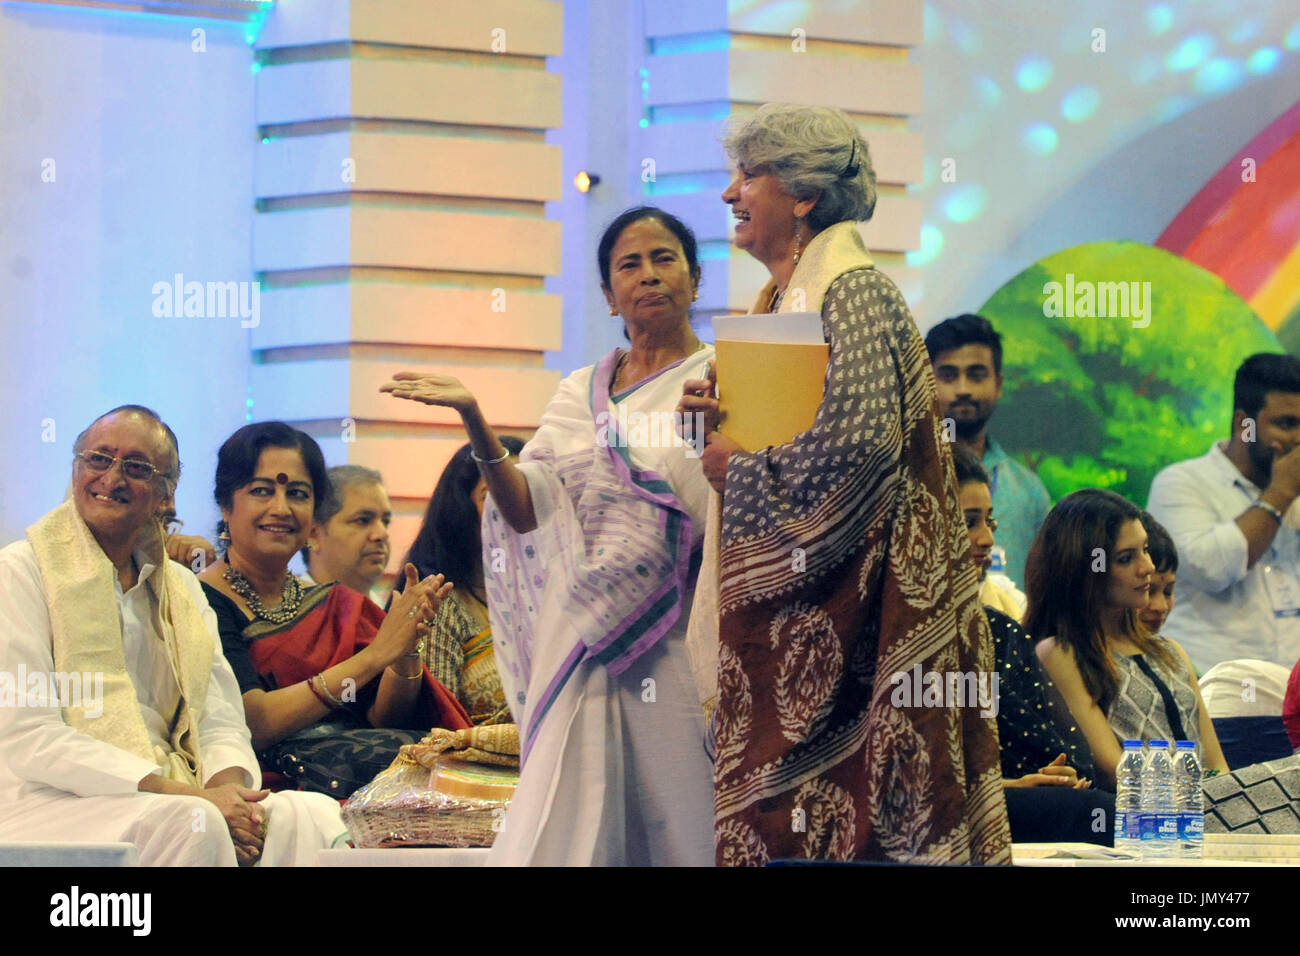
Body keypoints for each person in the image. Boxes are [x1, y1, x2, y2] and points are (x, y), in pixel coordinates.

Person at [677, 104, 1010, 864]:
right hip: (801, 618)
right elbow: (768, 443)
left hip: (864, 633)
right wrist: (707, 428)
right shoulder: (782, 299)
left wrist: (744, 468)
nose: (730, 195)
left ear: (802, 195)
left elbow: (858, 451)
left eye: (747, 176)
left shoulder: (853, 291)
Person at [382, 206, 715, 866]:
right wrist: (474, 417)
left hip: (672, 635)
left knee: (679, 820)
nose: (648, 275)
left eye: (664, 258)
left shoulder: (718, 377)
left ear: (696, 279)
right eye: (629, 264)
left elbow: (721, 498)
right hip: (583, 636)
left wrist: (711, 434)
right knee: (573, 815)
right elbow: (524, 508)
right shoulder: (581, 391)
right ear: (606, 294)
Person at [0, 405, 346, 865]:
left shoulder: (181, 590)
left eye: (137, 468)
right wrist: (188, 798)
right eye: (98, 459)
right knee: (190, 825)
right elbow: (30, 738)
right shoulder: (21, 572)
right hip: (50, 799)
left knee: (311, 815)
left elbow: (219, 719)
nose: (113, 478)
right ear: (76, 467)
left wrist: (230, 801)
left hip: (170, 793)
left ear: (166, 491)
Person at [197, 422, 470, 797]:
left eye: (298, 493)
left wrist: (404, 652)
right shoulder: (200, 600)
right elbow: (251, 721)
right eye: (261, 491)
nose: (281, 508)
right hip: (268, 793)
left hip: (359, 784)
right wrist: (374, 657)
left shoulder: (337, 605)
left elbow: (380, 719)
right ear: (226, 505)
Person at [1027, 489, 1231, 788]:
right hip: (1137, 822)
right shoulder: (1062, 653)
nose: (1147, 567)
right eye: (1126, 558)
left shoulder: (1169, 651)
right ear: (1084, 568)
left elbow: (1217, 766)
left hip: (1207, 811)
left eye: (1145, 549)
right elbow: (1115, 770)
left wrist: (1227, 805)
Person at [1147, 353, 1300, 672]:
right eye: (1287, 424)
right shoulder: (1180, 483)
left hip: (1291, 695)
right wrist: (1281, 493)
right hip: (1212, 693)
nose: (1298, 440)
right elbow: (1208, 568)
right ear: (1243, 425)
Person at [392, 439, 525, 726]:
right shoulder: (441, 603)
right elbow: (437, 728)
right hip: (470, 766)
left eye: (523, 492)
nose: (514, 507)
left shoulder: (547, 594)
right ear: (461, 510)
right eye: (496, 495)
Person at [925, 313, 1051, 588]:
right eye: (948, 376)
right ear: (926, 384)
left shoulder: (1029, 493)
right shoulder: (907, 481)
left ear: (999, 384)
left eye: (976, 375)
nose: (963, 389)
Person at [302, 464, 392, 605]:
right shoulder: (285, 621)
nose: (382, 534)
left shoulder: (390, 614)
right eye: (363, 520)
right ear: (314, 535)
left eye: (385, 521)